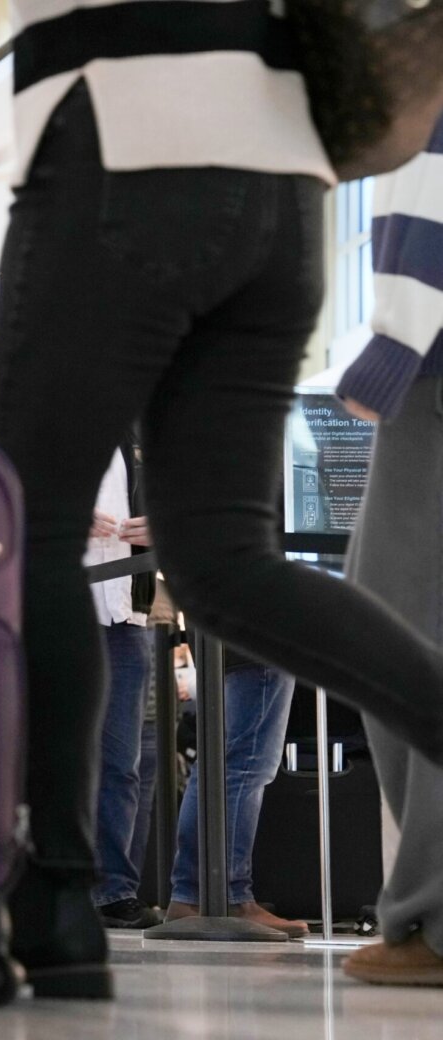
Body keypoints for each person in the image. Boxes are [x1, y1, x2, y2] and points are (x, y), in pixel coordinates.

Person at [0, 0, 443, 1002]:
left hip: (124, 136)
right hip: (286, 182)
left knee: (32, 533)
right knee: (226, 565)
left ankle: (48, 905)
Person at [339, 116, 443, 986]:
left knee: (394, 632)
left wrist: (388, 357)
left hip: (435, 386)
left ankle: (436, 921)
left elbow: (432, 199)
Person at [163, 655, 304, 938]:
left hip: (232, 643)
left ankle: (192, 894)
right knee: (246, 763)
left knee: (222, 762)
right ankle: (230, 897)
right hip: (257, 640)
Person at [87, 438, 159, 929]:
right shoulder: (48, 428)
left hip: (126, 614)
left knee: (122, 765)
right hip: (64, 604)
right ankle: (52, 886)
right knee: (56, 758)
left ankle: (114, 891)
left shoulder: (136, 440)